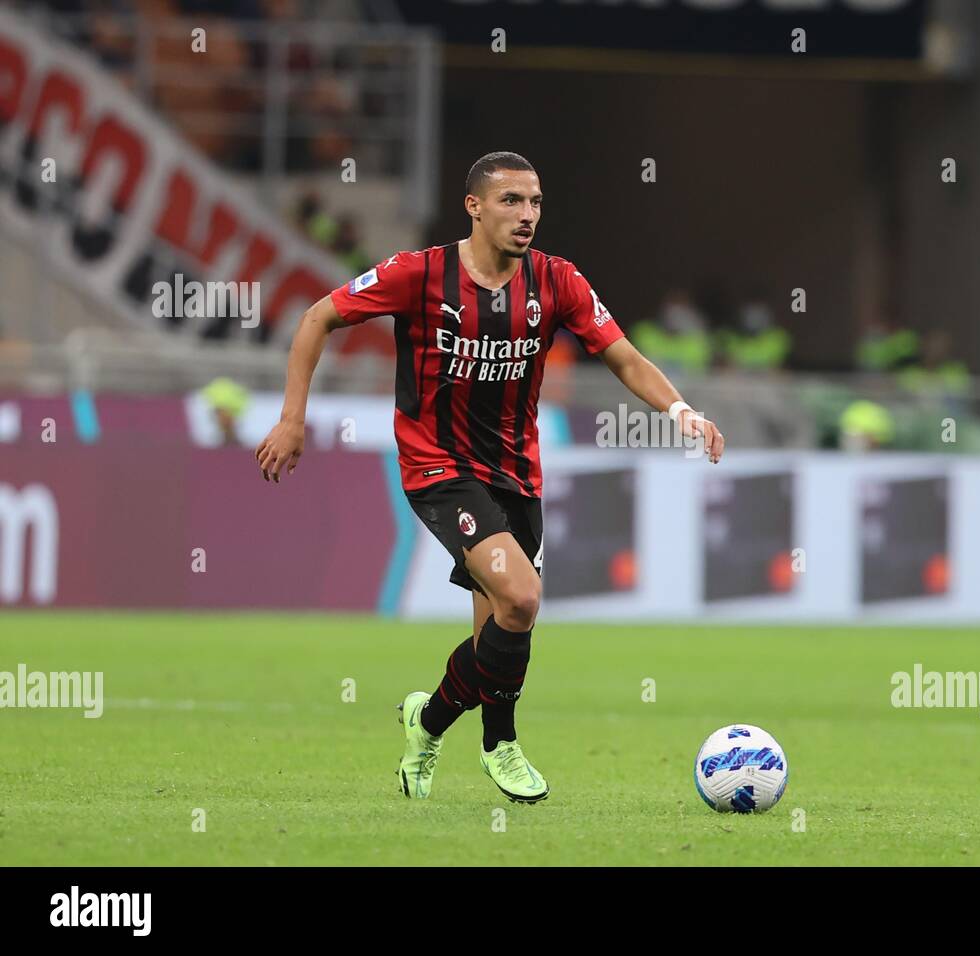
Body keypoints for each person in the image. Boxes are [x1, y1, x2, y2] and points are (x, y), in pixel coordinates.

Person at [254, 151, 725, 804]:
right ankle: (500, 745)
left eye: (534, 202)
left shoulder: (557, 281)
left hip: (516, 475)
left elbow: (623, 355)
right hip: (437, 467)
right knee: (524, 599)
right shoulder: (417, 274)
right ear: (474, 205)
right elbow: (317, 317)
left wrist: (680, 410)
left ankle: (429, 722)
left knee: (499, 628)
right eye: (510, 201)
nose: (526, 215)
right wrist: (292, 420)